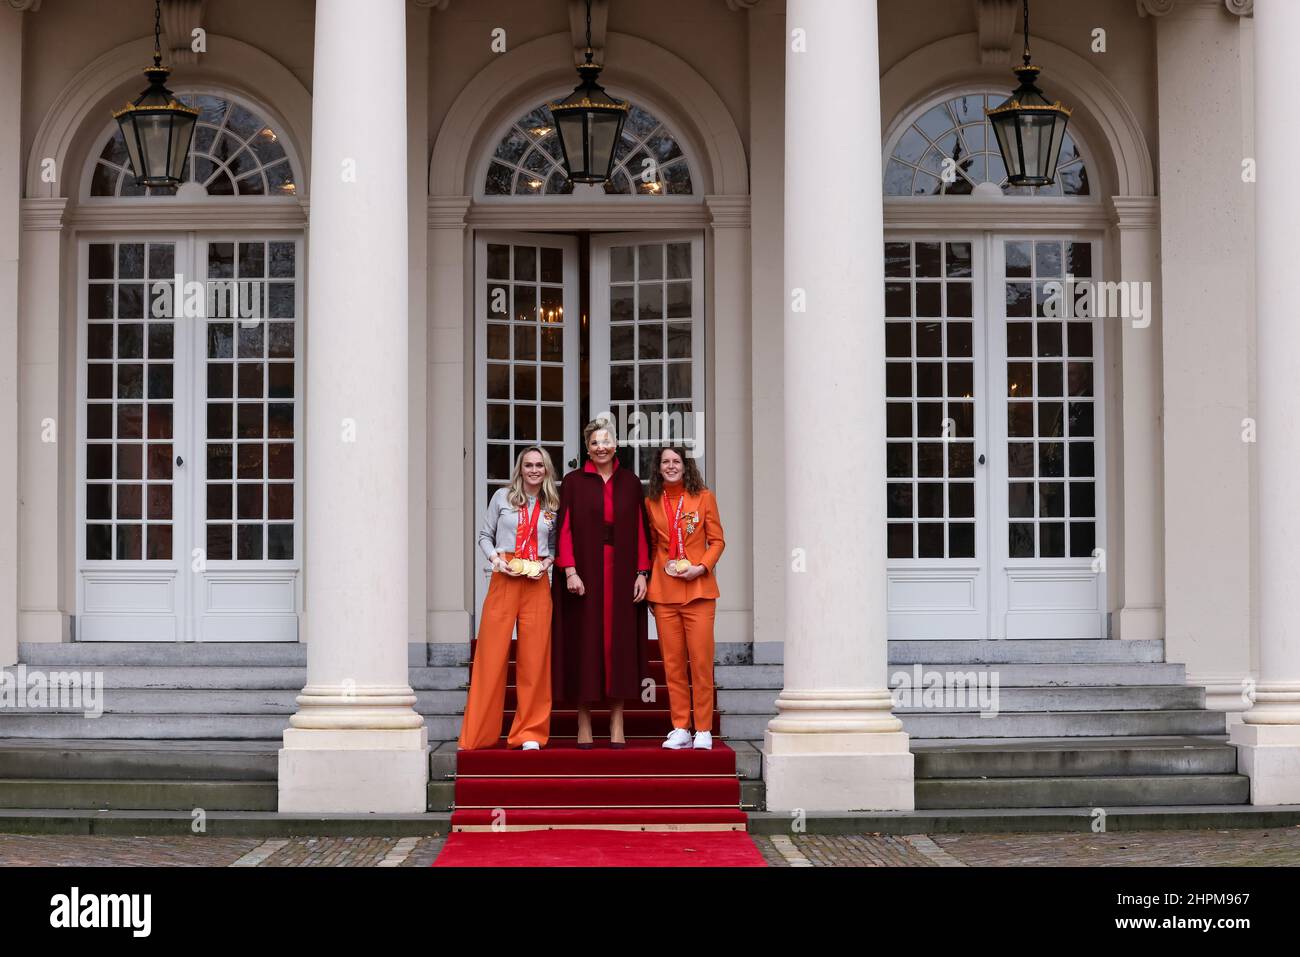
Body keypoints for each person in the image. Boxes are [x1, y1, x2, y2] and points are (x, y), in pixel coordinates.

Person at [552, 419, 651, 748]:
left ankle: (616, 718)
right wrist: (569, 570)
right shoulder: (573, 482)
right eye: (595, 442)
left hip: (622, 572)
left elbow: (640, 530)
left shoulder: (631, 483)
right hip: (585, 575)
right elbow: (563, 530)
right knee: (586, 643)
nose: (601, 447)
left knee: (616, 646)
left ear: (616, 444)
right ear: (587, 447)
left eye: (606, 441)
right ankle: (583, 719)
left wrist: (642, 573)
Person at [457, 447, 560, 751]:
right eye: (528, 464)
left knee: (535, 660)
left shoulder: (552, 503)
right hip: (504, 577)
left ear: (546, 469)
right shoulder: (502, 498)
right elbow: (484, 535)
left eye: (539, 465)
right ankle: (479, 733)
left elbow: (554, 544)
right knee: (491, 655)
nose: (533, 470)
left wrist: (547, 563)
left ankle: (529, 733)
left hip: (537, 582)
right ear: (520, 468)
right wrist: (494, 559)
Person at [645, 447, 725, 750]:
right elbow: (653, 546)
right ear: (659, 468)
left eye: (675, 461)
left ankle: (703, 728)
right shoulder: (651, 502)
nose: (670, 466)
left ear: (685, 465)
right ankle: (681, 726)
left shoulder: (703, 497)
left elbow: (717, 540)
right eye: (665, 462)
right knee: (673, 664)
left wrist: (701, 566)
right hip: (665, 592)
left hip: (700, 591)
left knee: (701, 663)